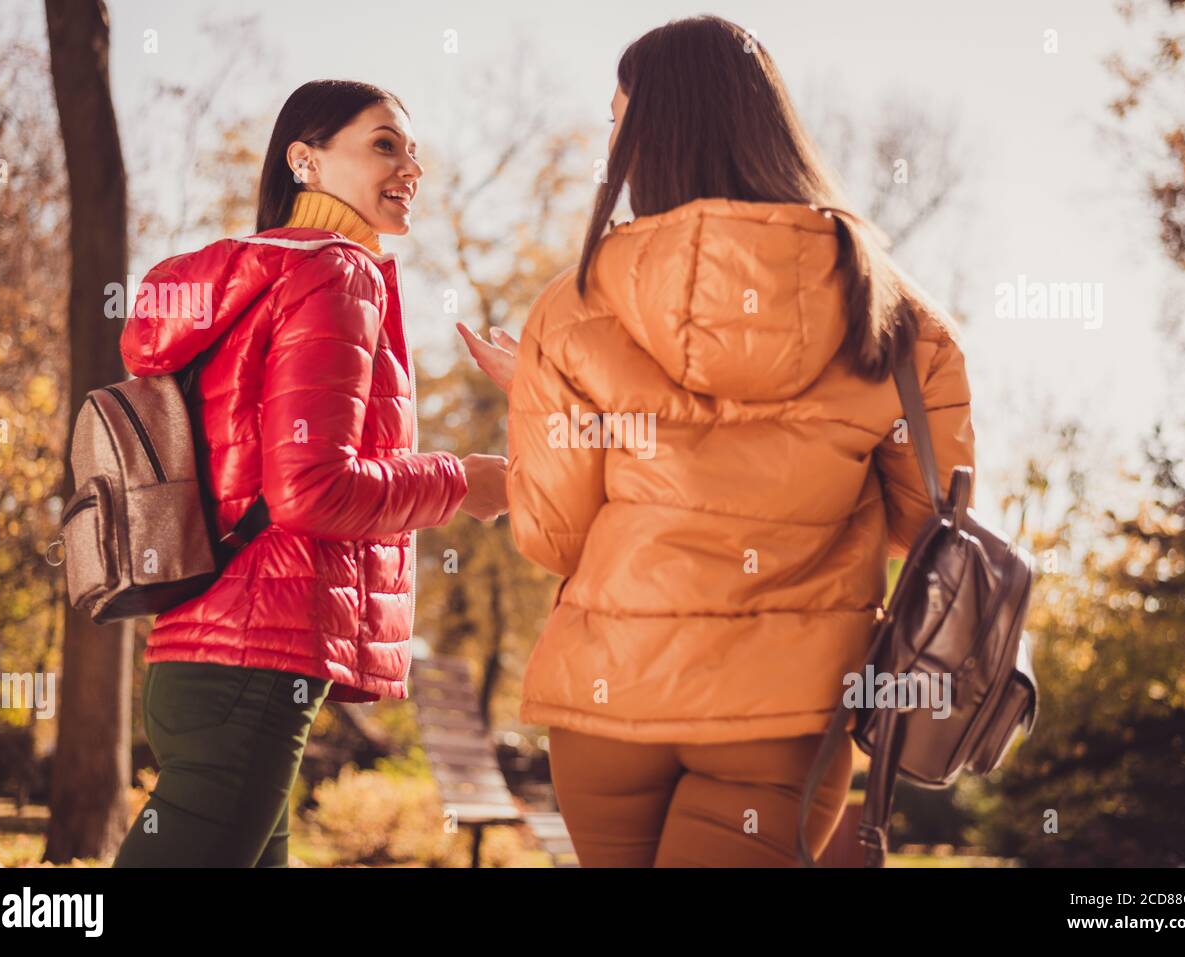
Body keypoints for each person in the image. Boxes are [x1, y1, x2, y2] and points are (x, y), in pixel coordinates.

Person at [459, 16, 975, 866]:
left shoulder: (572, 307)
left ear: (645, 135)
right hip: (787, 714)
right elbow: (930, 528)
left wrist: (548, 410)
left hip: (610, 701)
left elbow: (552, 537)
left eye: (617, 116)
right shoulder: (899, 319)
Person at [113, 79, 508, 867]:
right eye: (384, 144)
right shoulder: (337, 275)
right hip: (255, 662)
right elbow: (311, 488)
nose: (411, 169)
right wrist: (463, 482)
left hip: (198, 653)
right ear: (306, 161)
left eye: (415, 152)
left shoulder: (250, 281)